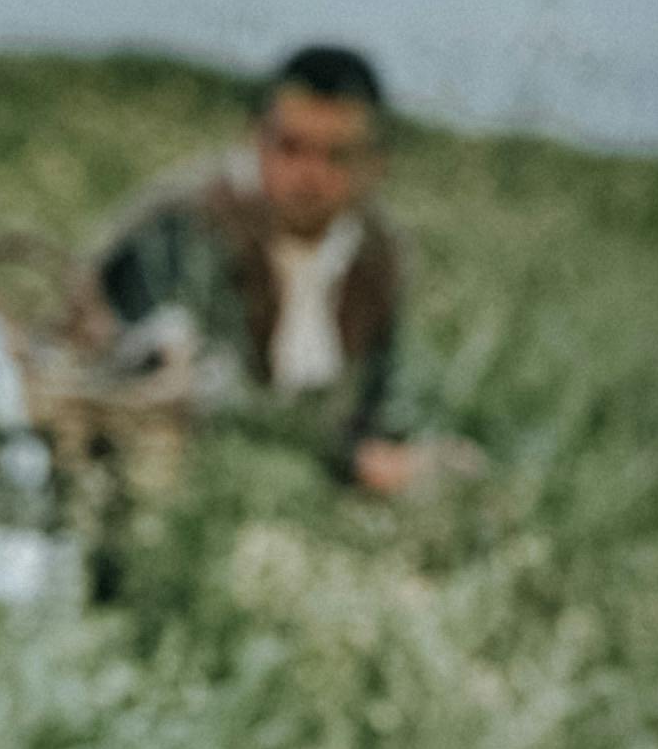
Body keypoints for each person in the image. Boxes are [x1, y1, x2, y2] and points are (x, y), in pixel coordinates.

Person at [97, 44, 419, 493]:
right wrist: (343, 457)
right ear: (255, 140)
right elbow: (172, 382)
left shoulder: (378, 255)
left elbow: (387, 395)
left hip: (314, 484)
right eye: (291, 149)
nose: (309, 175)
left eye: (337, 156)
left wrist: (392, 451)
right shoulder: (182, 225)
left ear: (375, 164)